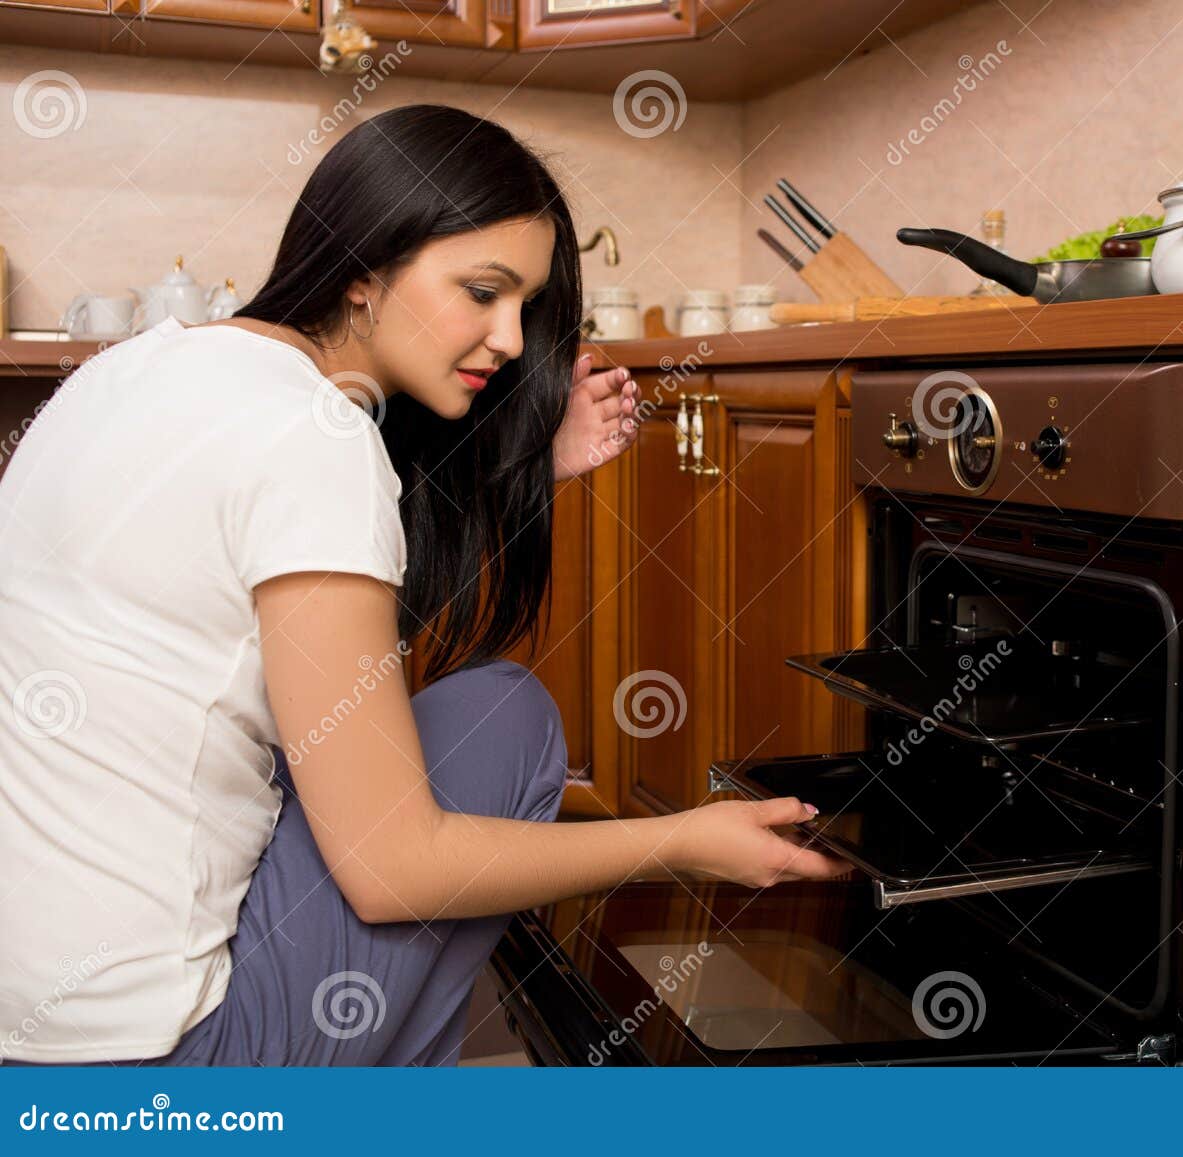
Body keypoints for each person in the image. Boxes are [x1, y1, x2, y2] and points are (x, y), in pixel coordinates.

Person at [0, 104, 847, 1067]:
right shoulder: (316, 443)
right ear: (365, 270)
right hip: (155, 1070)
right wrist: (679, 842)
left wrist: (514, 466)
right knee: (506, 715)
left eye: (524, 306)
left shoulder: (139, 368)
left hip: (27, 1026)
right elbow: (391, 869)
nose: (513, 339)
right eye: (483, 291)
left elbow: (311, 644)